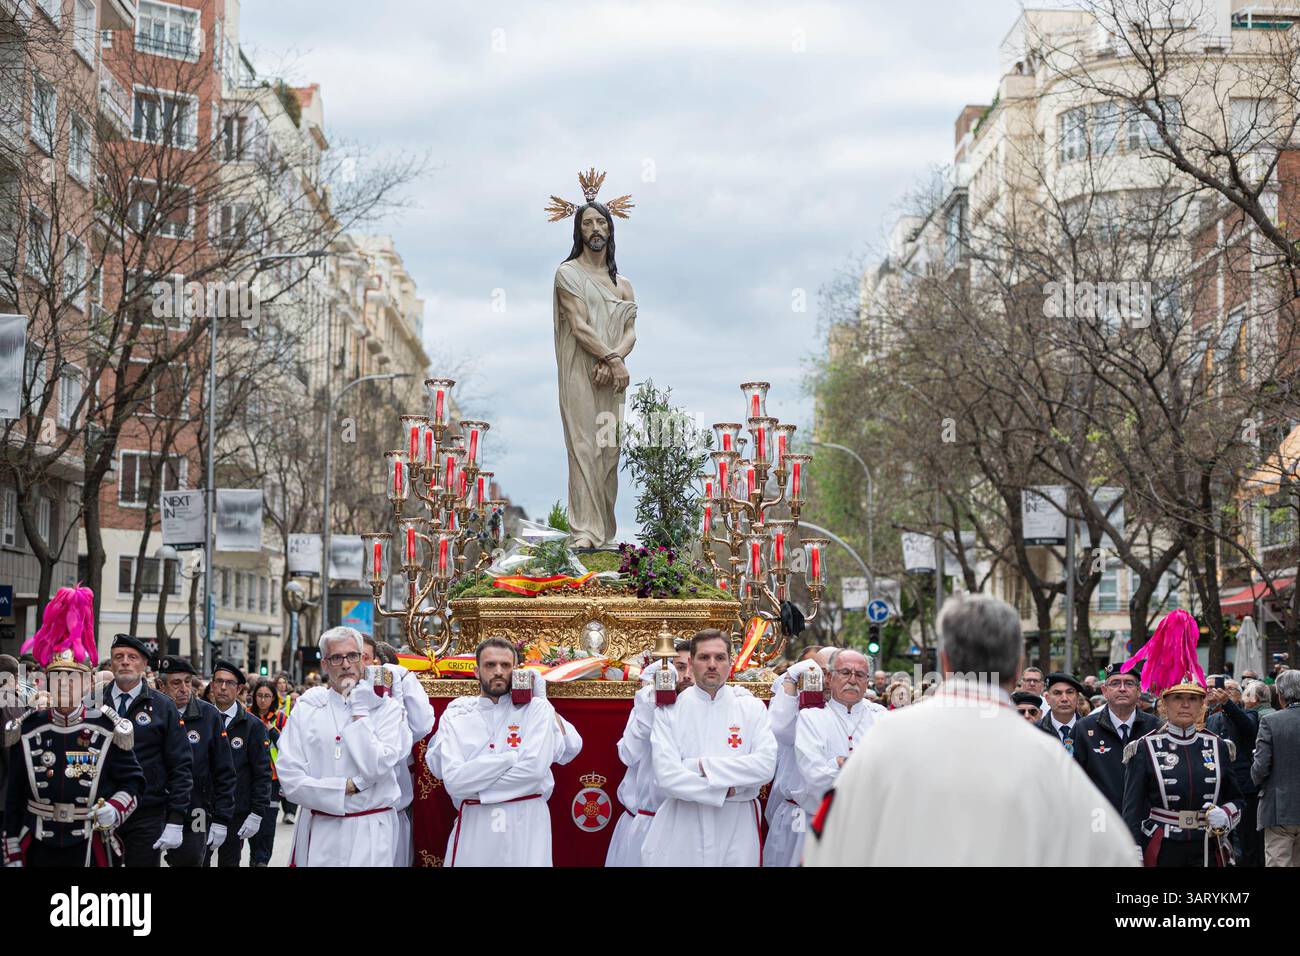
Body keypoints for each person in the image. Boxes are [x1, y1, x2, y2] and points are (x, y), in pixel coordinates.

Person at [804, 594, 1136, 867]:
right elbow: (1113, 854)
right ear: (1018, 665)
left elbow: (827, 847)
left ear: (945, 661)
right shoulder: (1046, 758)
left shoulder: (886, 738)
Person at [4, 587, 145, 867]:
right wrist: (11, 851)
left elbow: (134, 782)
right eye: (57, 677)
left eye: (72, 677)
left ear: (87, 683)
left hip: (89, 844)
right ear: (46, 680)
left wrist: (115, 809)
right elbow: (14, 796)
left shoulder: (107, 728)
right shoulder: (29, 727)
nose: (64, 684)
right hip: (37, 842)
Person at [640, 629, 777, 867]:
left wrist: (698, 765)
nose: (712, 664)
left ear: (730, 663)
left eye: (720, 658)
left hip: (736, 823)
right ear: (691, 663)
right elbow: (667, 776)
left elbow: (765, 767)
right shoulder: (669, 711)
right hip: (684, 820)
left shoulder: (752, 708)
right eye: (704, 658)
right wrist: (725, 790)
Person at [277, 629, 412, 866]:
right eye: (337, 658)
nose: (346, 664)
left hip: (371, 829)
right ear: (324, 664)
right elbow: (290, 779)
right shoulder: (307, 709)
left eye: (353, 656)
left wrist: (359, 711)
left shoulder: (387, 708)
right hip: (321, 829)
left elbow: (378, 766)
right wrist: (345, 787)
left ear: (363, 659)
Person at [1121, 610, 1243, 867]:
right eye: (1178, 698)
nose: (1186, 705)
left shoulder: (1218, 746)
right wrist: (1133, 848)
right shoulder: (1144, 747)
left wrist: (1228, 813)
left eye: (1193, 699)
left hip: (1208, 845)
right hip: (1163, 846)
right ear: (1164, 705)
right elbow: (1132, 807)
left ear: (1202, 705)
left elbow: (1238, 797)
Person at [428, 637, 564, 866]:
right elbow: (453, 782)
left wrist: (475, 779)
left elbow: (534, 771)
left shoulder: (537, 708)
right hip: (476, 821)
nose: (498, 671)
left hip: (525, 820)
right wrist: (510, 759)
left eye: (506, 665)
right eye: (490, 665)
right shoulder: (457, 714)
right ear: (476, 671)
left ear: (516, 670)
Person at [105, 634, 193, 866]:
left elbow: (181, 765)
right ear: (111, 663)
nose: (125, 662)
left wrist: (175, 819)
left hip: (147, 813)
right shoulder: (93, 703)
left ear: (144, 665)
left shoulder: (163, 706)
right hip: (102, 811)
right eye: (119, 657)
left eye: (132, 657)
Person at [604, 641, 693, 867]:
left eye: (693, 666)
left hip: (687, 827)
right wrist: (648, 704)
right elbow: (628, 755)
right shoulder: (648, 703)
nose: (687, 675)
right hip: (644, 822)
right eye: (680, 667)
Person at [793, 648, 884, 863]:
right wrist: (858, 768)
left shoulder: (882, 718)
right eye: (845, 672)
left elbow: (890, 775)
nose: (852, 680)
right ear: (829, 677)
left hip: (871, 827)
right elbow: (814, 776)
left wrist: (838, 764)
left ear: (867, 681)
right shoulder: (811, 718)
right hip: (825, 825)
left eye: (860, 674)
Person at [359, 632, 436, 867]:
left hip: (391, 808)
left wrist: (402, 683)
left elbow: (421, 725)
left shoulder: (395, 695)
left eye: (366, 658)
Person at [155, 656, 235, 867]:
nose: (183, 688)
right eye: (176, 682)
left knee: (192, 862)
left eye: (188, 681)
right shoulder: (151, 713)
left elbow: (224, 770)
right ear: (161, 685)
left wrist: (221, 818)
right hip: (154, 807)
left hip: (196, 810)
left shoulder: (208, 715)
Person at [765, 647, 832, 868]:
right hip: (796, 815)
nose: (825, 679)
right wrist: (791, 678)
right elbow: (782, 730)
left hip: (833, 815)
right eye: (818, 672)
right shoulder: (793, 701)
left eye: (831, 672)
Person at [205, 661, 272, 867]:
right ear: (212, 685)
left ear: (239, 688)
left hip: (236, 809)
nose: (223, 688)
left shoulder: (252, 726)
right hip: (203, 808)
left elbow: (262, 773)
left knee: (230, 861)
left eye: (229, 683)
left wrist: (257, 812)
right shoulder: (200, 719)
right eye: (219, 682)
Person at [1070, 663, 1159, 814]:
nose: (1122, 688)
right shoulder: (1084, 729)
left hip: (1145, 821)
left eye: (1129, 683)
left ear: (1139, 691)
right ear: (1104, 691)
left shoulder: (1155, 728)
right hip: (1100, 819)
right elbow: (1072, 779)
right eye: (1115, 683)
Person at [1205, 675, 1261, 865]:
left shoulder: (1251, 715)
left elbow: (1247, 728)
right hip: (1219, 787)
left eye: (1230, 690)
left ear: (1240, 696)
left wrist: (1228, 704)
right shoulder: (1211, 719)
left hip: (1244, 788)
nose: (1223, 693)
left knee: (1248, 840)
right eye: (1222, 689)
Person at [1250, 669, 1300, 866]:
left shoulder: (1271, 721)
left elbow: (1261, 767)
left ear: (1280, 695)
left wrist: (1255, 778)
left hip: (1279, 808)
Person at [246, 678, 287, 867]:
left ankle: (262, 861)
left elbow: (288, 747)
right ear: (254, 697)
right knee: (253, 823)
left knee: (268, 824)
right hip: (249, 778)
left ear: (273, 699)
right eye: (260, 696)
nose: (263, 700)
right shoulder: (245, 715)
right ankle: (255, 858)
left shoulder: (280, 718)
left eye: (267, 696)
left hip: (272, 779)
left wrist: (272, 730)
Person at [1037, 672, 1085, 750]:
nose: (1064, 699)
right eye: (1057, 693)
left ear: (1077, 697)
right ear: (1047, 698)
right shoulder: (1035, 731)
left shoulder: (1091, 730)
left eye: (1069, 692)